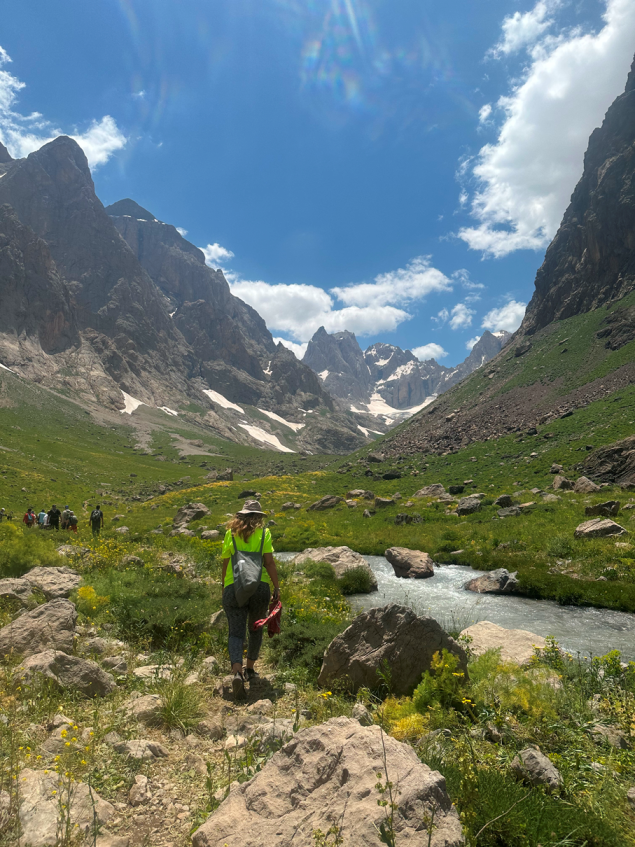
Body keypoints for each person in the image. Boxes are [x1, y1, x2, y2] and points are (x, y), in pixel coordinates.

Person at [220, 500, 280, 700]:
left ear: (241, 516)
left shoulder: (231, 534)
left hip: (234, 587)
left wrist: (224, 585)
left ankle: (237, 672)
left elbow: (226, 562)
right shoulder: (264, 534)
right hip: (259, 587)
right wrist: (277, 587)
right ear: (259, 517)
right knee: (256, 628)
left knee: (235, 632)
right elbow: (269, 563)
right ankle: (251, 669)